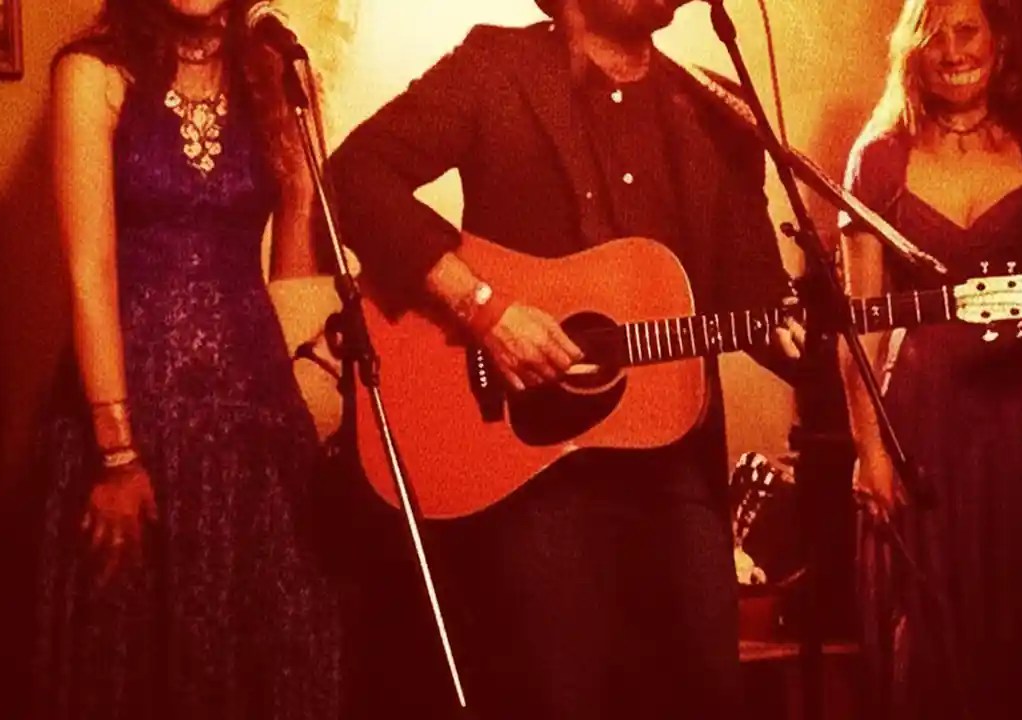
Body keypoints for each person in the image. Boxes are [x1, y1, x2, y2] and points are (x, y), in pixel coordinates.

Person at [326, 1, 800, 718]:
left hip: (676, 469)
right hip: (529, 470)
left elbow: (756, 293)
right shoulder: (498, 69)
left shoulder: (717, 111)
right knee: (557, 696)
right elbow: (355, 179)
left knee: (708, 696)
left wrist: (817, 329)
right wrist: (483, 308)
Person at [33, 1, 341, 718]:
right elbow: (89, 273)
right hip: (137, 414)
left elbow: (291, 269)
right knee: (131, 655)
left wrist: (312, 398)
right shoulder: (93, 72)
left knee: (272, 645)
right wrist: (116, 455)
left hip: (254, 418)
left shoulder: (274, 72)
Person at [839, 0, 1022, 717]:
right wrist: (867, 448)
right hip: (923, 423)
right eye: (932, 35)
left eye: (968, 30)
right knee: (934, 627)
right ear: (911, 51)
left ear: (998, 43)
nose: (953, 49)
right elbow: (856, 326)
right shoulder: (878, 156)